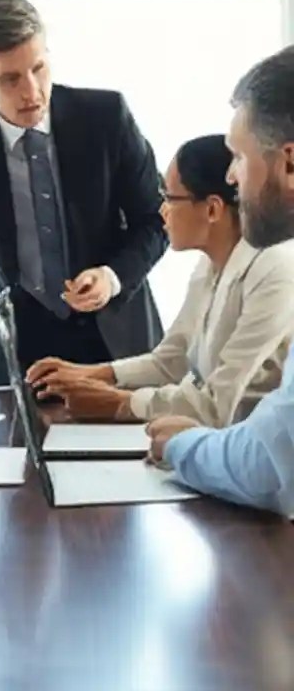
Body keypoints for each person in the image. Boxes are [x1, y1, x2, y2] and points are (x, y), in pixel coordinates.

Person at [0, 0, 168, 387]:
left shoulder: (106, 118)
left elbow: (156, 220)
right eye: (10, 79)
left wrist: (112, 276)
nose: (31, 91)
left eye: (38, 68)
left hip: (118, 336)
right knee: (19, 449)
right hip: (20, 344)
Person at [25, 134, 294, 427]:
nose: (161, 211)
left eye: (169, 198)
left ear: (212, 209)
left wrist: (119, 403)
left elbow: (219, 405)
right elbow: (171, 361)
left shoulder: (275, 268)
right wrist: (90, 374)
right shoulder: (210, 263)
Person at [146, 46, 294, 518]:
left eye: (238, 157)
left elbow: (272, 464)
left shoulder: (273, 268)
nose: (232, 177)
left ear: (289, 164)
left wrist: (184, 448)